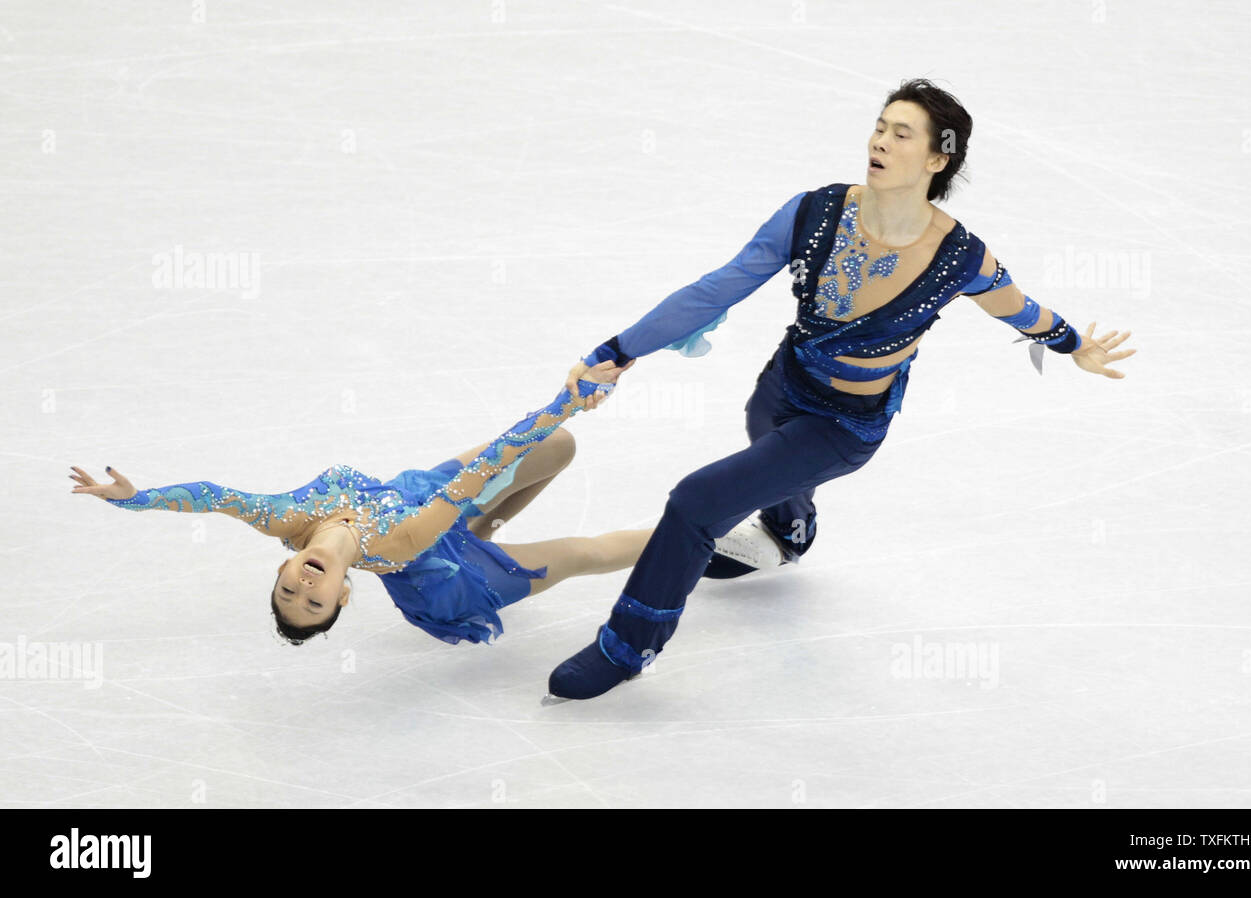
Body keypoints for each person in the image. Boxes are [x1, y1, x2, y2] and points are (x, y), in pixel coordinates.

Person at [549, 78, 1138, 699]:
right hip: (783, 383)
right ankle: (787, 531)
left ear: (938, 159)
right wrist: (615, 352)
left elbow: (1018, 309)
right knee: (762, 434)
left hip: (844, 425)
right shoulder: (814, 212)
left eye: (900, 133)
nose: (880, 141)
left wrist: (1074, 345)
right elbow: (716, 288)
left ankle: (627, 646)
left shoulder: (958, 256)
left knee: (697, 502)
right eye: (879, 127)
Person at [69, 366, 650, 647]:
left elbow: (213, 498)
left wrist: (136, 499)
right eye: (315, 602)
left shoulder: (287, 519)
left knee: (560, 450)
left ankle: (484, 530)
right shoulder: (394, 545)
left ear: (282, 569)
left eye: (289, 591)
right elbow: (484, 468)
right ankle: (702, 531)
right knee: (584, 552)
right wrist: (564, 402)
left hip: (426, 494)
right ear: (343, 593)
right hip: (452, 575)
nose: (305, 588)